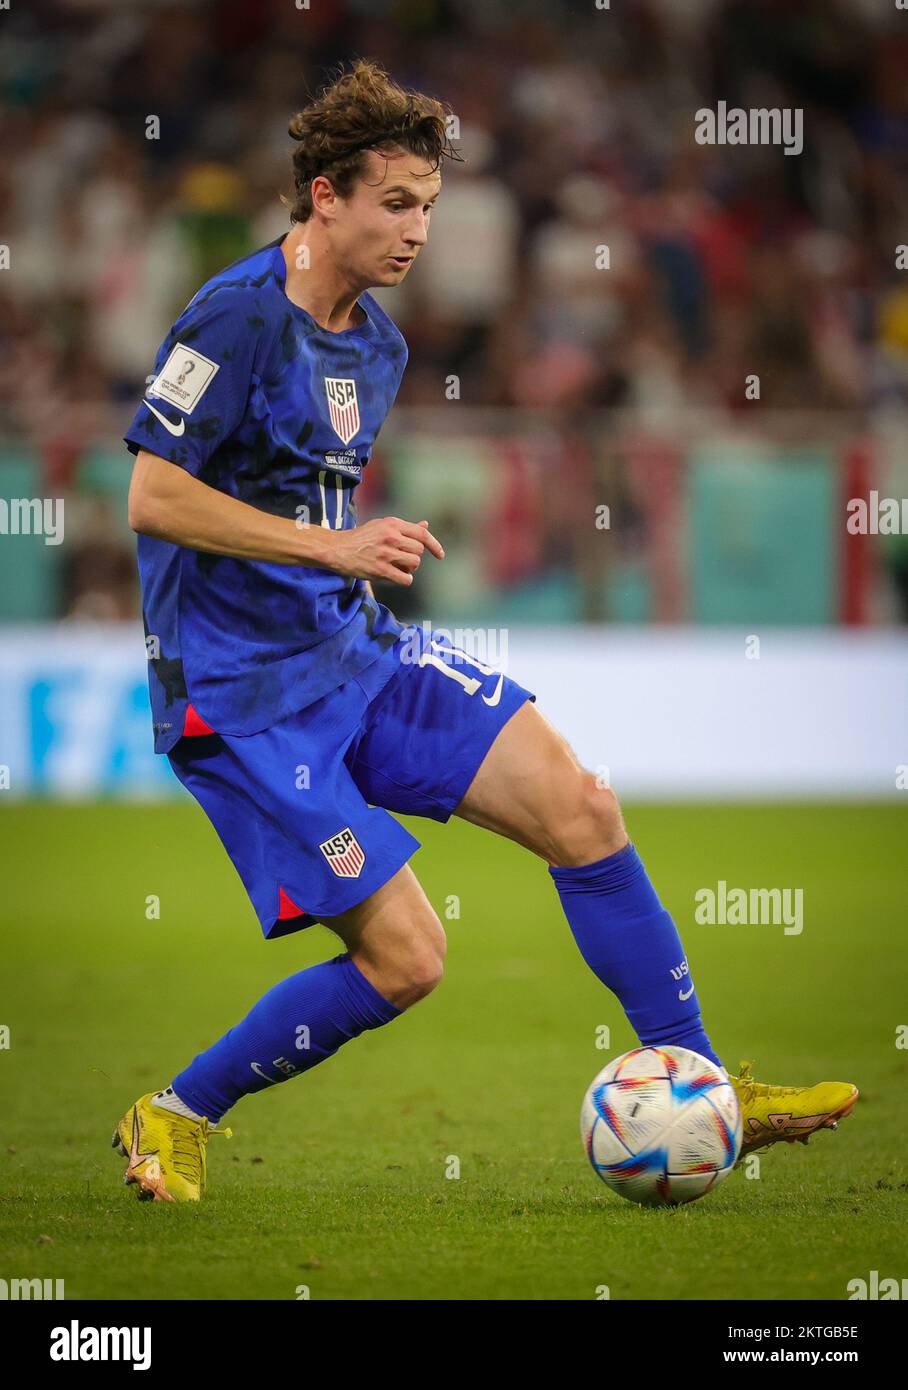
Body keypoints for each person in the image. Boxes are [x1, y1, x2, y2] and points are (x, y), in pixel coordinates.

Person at [115, 61, 856, 1202]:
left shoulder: (379, 347)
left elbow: (303, 502)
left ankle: (705, 1083)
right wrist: (334, 546)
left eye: (429, 206)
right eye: (396, 203)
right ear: (324, 196)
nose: (419, 230)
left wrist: (347, 551)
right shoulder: (236, 313)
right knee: (408, 960)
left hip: (352, 651)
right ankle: (173, 1112)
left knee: (582, 805)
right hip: (241, 693)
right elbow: (153, 497)